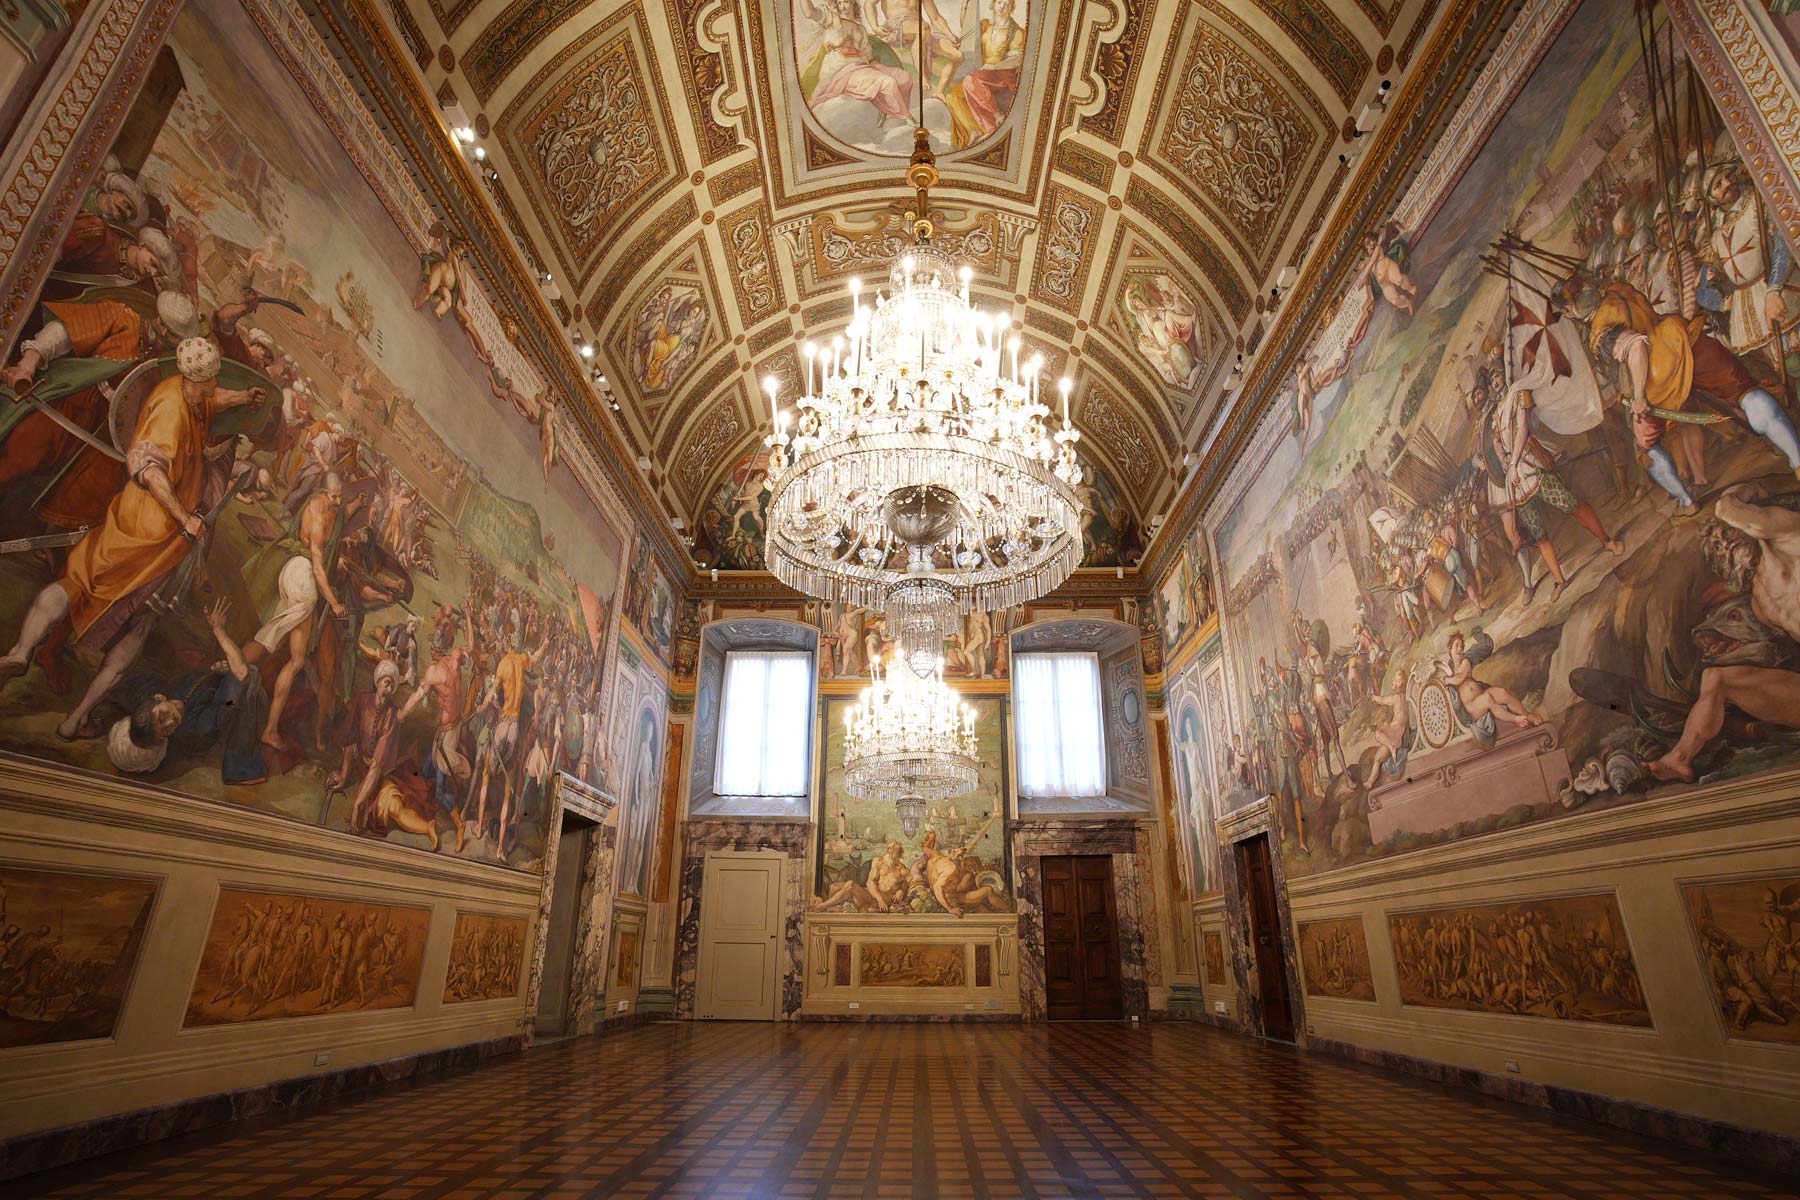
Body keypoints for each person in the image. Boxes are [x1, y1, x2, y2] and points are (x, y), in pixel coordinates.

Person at [0, 338, 263, 741]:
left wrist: (244, 395)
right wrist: (183, 519)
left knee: (76, 581)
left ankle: (20, 652)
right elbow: (149, 466)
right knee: (142, 624)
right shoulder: (173, 411)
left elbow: (216, 401)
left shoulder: (187, 393)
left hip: (130, 525)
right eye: (215, 377)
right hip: (156, 540)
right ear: (205, 376)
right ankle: (74, 721)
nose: (217, 383)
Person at [1649, 482, 1800, 782]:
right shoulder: (1760, 602)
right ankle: (1680, 759)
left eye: (1727, 533)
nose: (1725, 544)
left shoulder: (1787, 536)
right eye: (1717, 545)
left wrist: (1749, 491)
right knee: (1714, 678)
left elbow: (1725, 508)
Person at [243, 473, 351, 754]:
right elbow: (317, 564)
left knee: (273, 638)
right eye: (334, 497)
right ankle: (269, 730)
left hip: (293, 573)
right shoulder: (317, 515)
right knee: (298, 659)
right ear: (323, 492)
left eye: (341, 497)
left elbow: (331, 539)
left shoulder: (332, 509)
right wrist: (334, 603)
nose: (338, 503)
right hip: (303, 581)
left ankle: (231, 668)